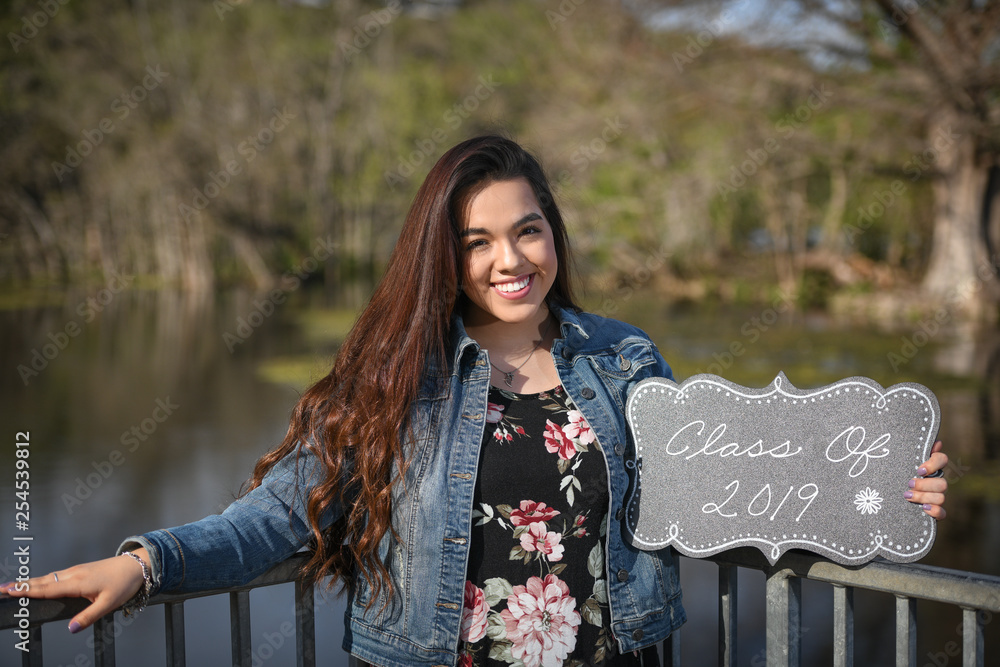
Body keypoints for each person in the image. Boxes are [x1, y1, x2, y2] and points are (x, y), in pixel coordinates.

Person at [2, 135, 949, 666]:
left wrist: (868, 486)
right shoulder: (391, 378)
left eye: (528, 230)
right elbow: (280, 516)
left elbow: (713, 499)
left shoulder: (622, 357)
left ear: (554, 235)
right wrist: (146, 563)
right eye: (478, 239)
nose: (510, 260)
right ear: (442, 254)